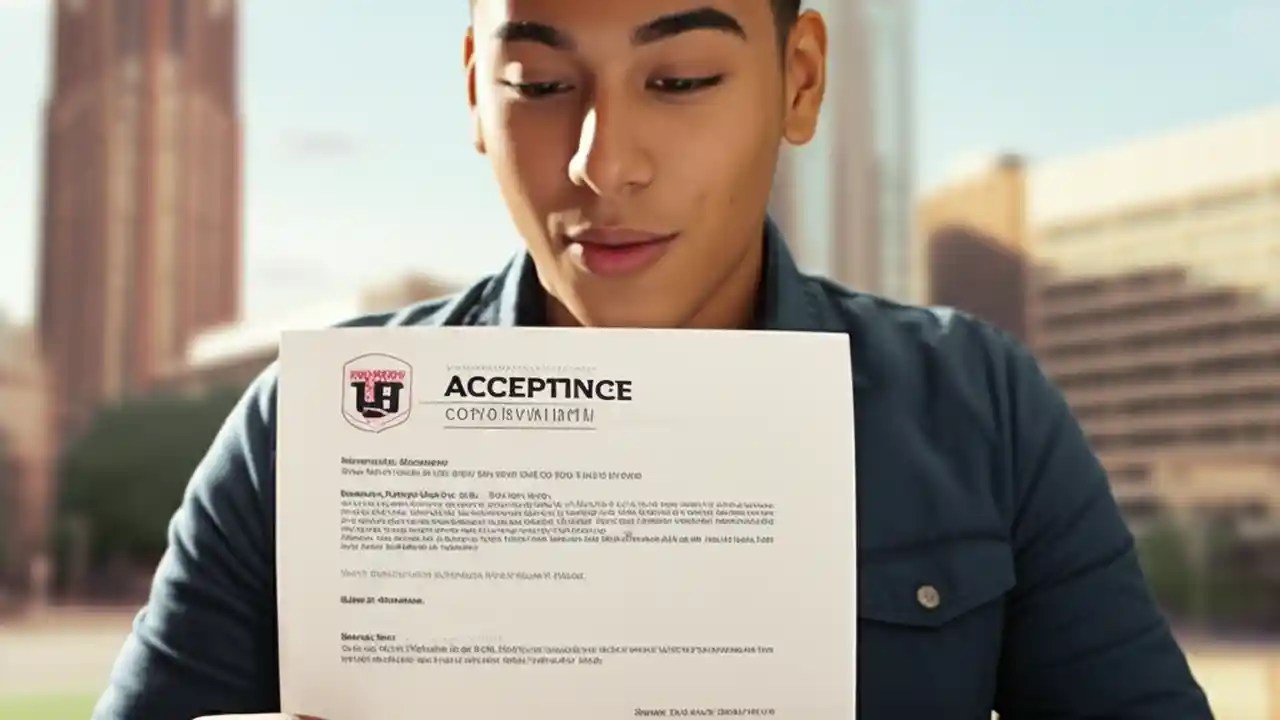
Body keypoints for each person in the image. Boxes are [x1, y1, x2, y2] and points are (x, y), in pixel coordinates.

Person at [93, 1, 1214, 718]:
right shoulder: (308, 427)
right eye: (538, 86)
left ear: (800, 80)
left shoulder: (980, 407)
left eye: (678, 81)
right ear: (474, 95)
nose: (603, 162)